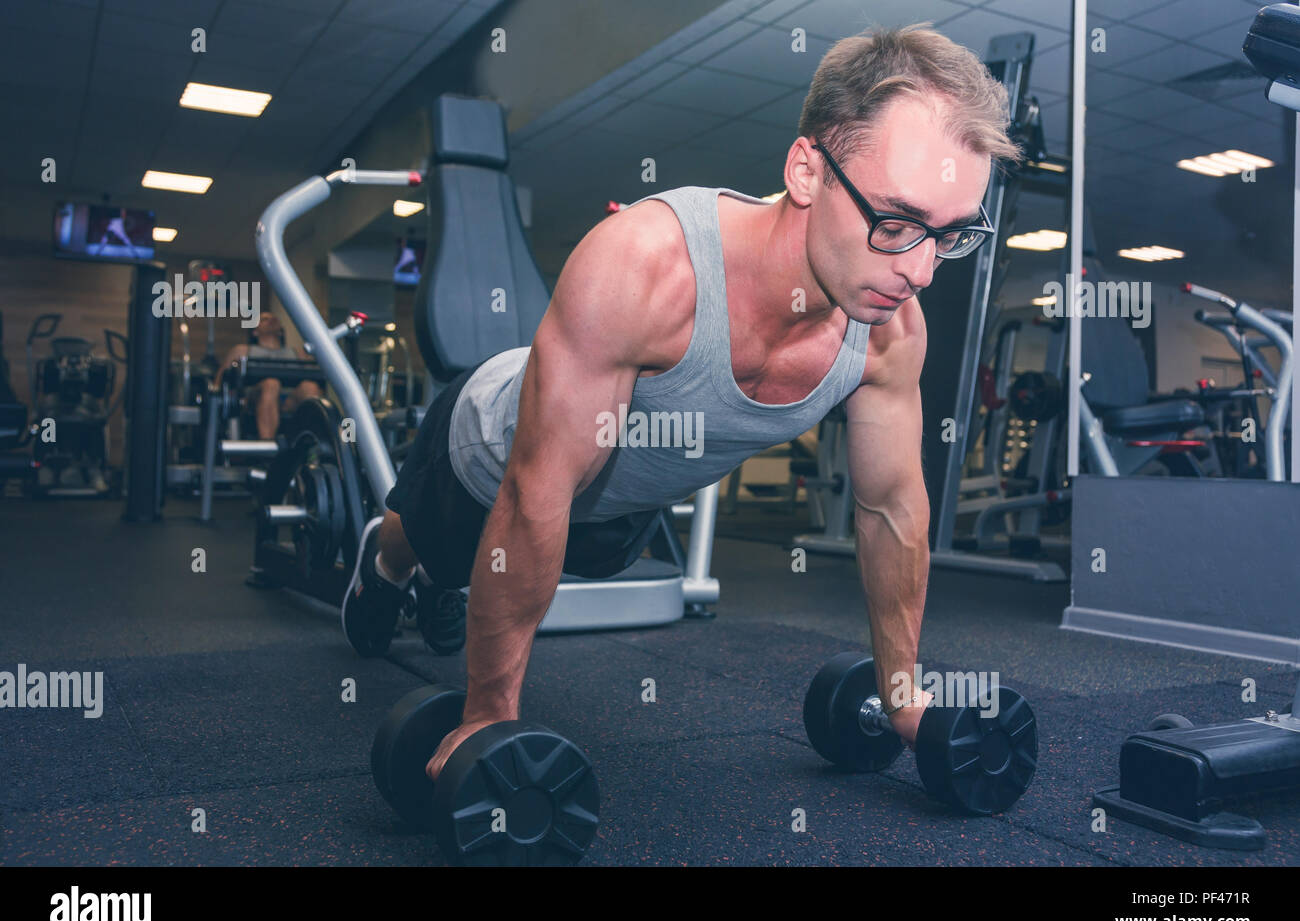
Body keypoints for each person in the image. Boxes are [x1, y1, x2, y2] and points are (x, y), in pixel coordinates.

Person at [342, 24, 1020, 779]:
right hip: (485, 447)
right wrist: (489, 721)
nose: (922, 269)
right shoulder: (645, 268)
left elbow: (892, 509)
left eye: (950, 236)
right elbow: (535, 491)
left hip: (618, 505)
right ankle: (390, 557)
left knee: (589, 548)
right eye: (895, 222)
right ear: (806, 171)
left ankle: (449, 575)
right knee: (441, 539)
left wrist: (902, 698)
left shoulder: (893, 332)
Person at [215, 311, 321, 439]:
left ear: (281, 331)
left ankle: (312, 446)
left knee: (310, 387)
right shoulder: (242, 350)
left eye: (273, 318)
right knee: (271, 384)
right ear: (255, 331)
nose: (271, 320)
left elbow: (316, 375)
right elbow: (220, 380)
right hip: (254, 399)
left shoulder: (298, 353)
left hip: (288, 401)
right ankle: (268, 451)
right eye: (264, 319)